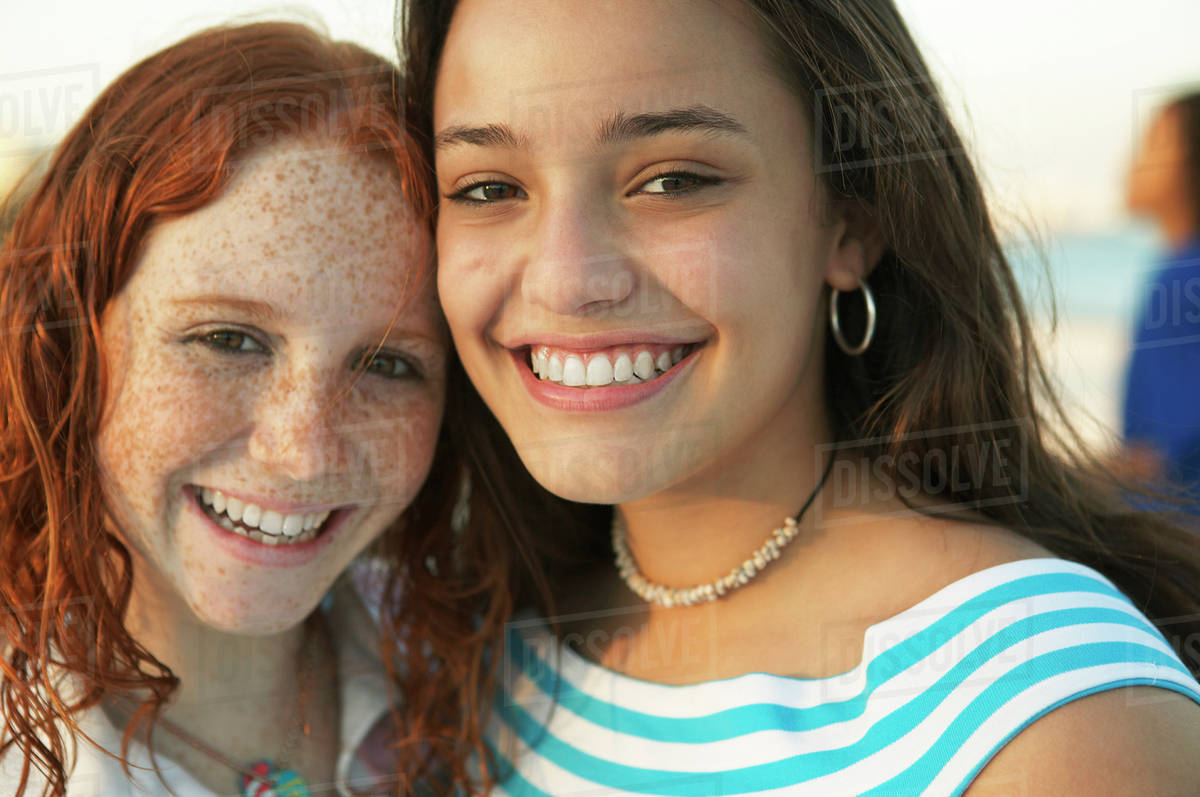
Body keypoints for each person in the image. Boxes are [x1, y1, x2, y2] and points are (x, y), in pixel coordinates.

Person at [401, 1, 1200, 794]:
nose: (566, 279)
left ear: (850, 224)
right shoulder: (455, 651)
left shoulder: (1051, 712)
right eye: (487, 188)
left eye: (672, 181)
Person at [0, 21, 493, 796]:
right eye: (229, 339)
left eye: (388, 364)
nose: (304, 450)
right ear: (68, 340)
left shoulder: (502, 686)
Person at [1123, 93, 1200, 504]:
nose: (1132, 161)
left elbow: (1149, 461)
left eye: (1153, 142)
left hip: (1174, 549)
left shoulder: (1182, 279)